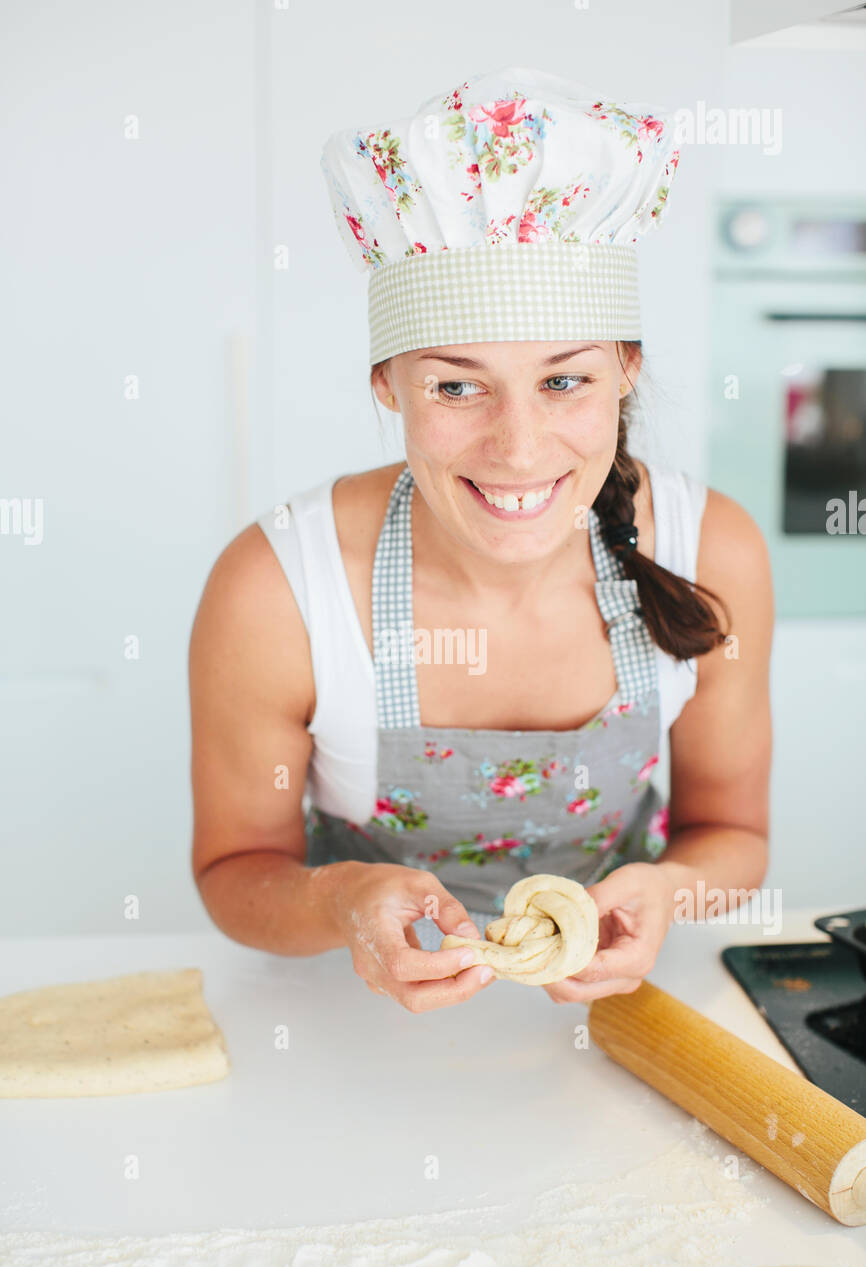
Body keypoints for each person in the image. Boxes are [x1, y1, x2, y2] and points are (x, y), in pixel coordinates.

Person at [188, 66, 772, 1012]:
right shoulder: (277, 588)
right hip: (346, 1016)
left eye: (564, 381)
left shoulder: (715, 551)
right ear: (388, 383)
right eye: (457, 386)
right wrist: (342, 905)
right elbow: (234, 869)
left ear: (626, 369)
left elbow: (732, 835)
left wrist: (667, 888)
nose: (519, 449)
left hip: (613, 1020)